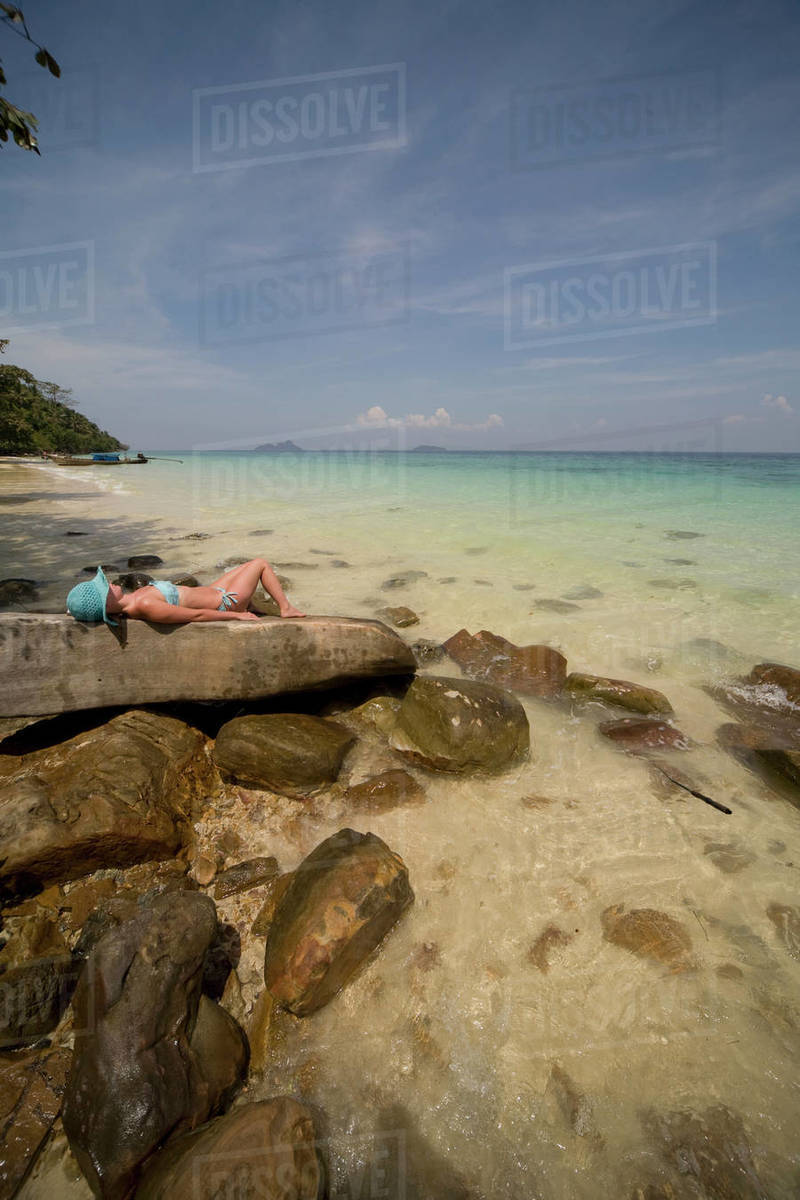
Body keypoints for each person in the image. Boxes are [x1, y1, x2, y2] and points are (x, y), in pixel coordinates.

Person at [66, 558, 305, 626]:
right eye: (105, 588)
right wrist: (236, 615)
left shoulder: (132, 599)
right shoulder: (146, 607)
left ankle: (251, 602)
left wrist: (72, 610)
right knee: (260, 564)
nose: (109, 583)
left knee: (245, 565)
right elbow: (195, 616)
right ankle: (285, 608)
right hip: (226, 602)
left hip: (214, 591)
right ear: (107, 606)